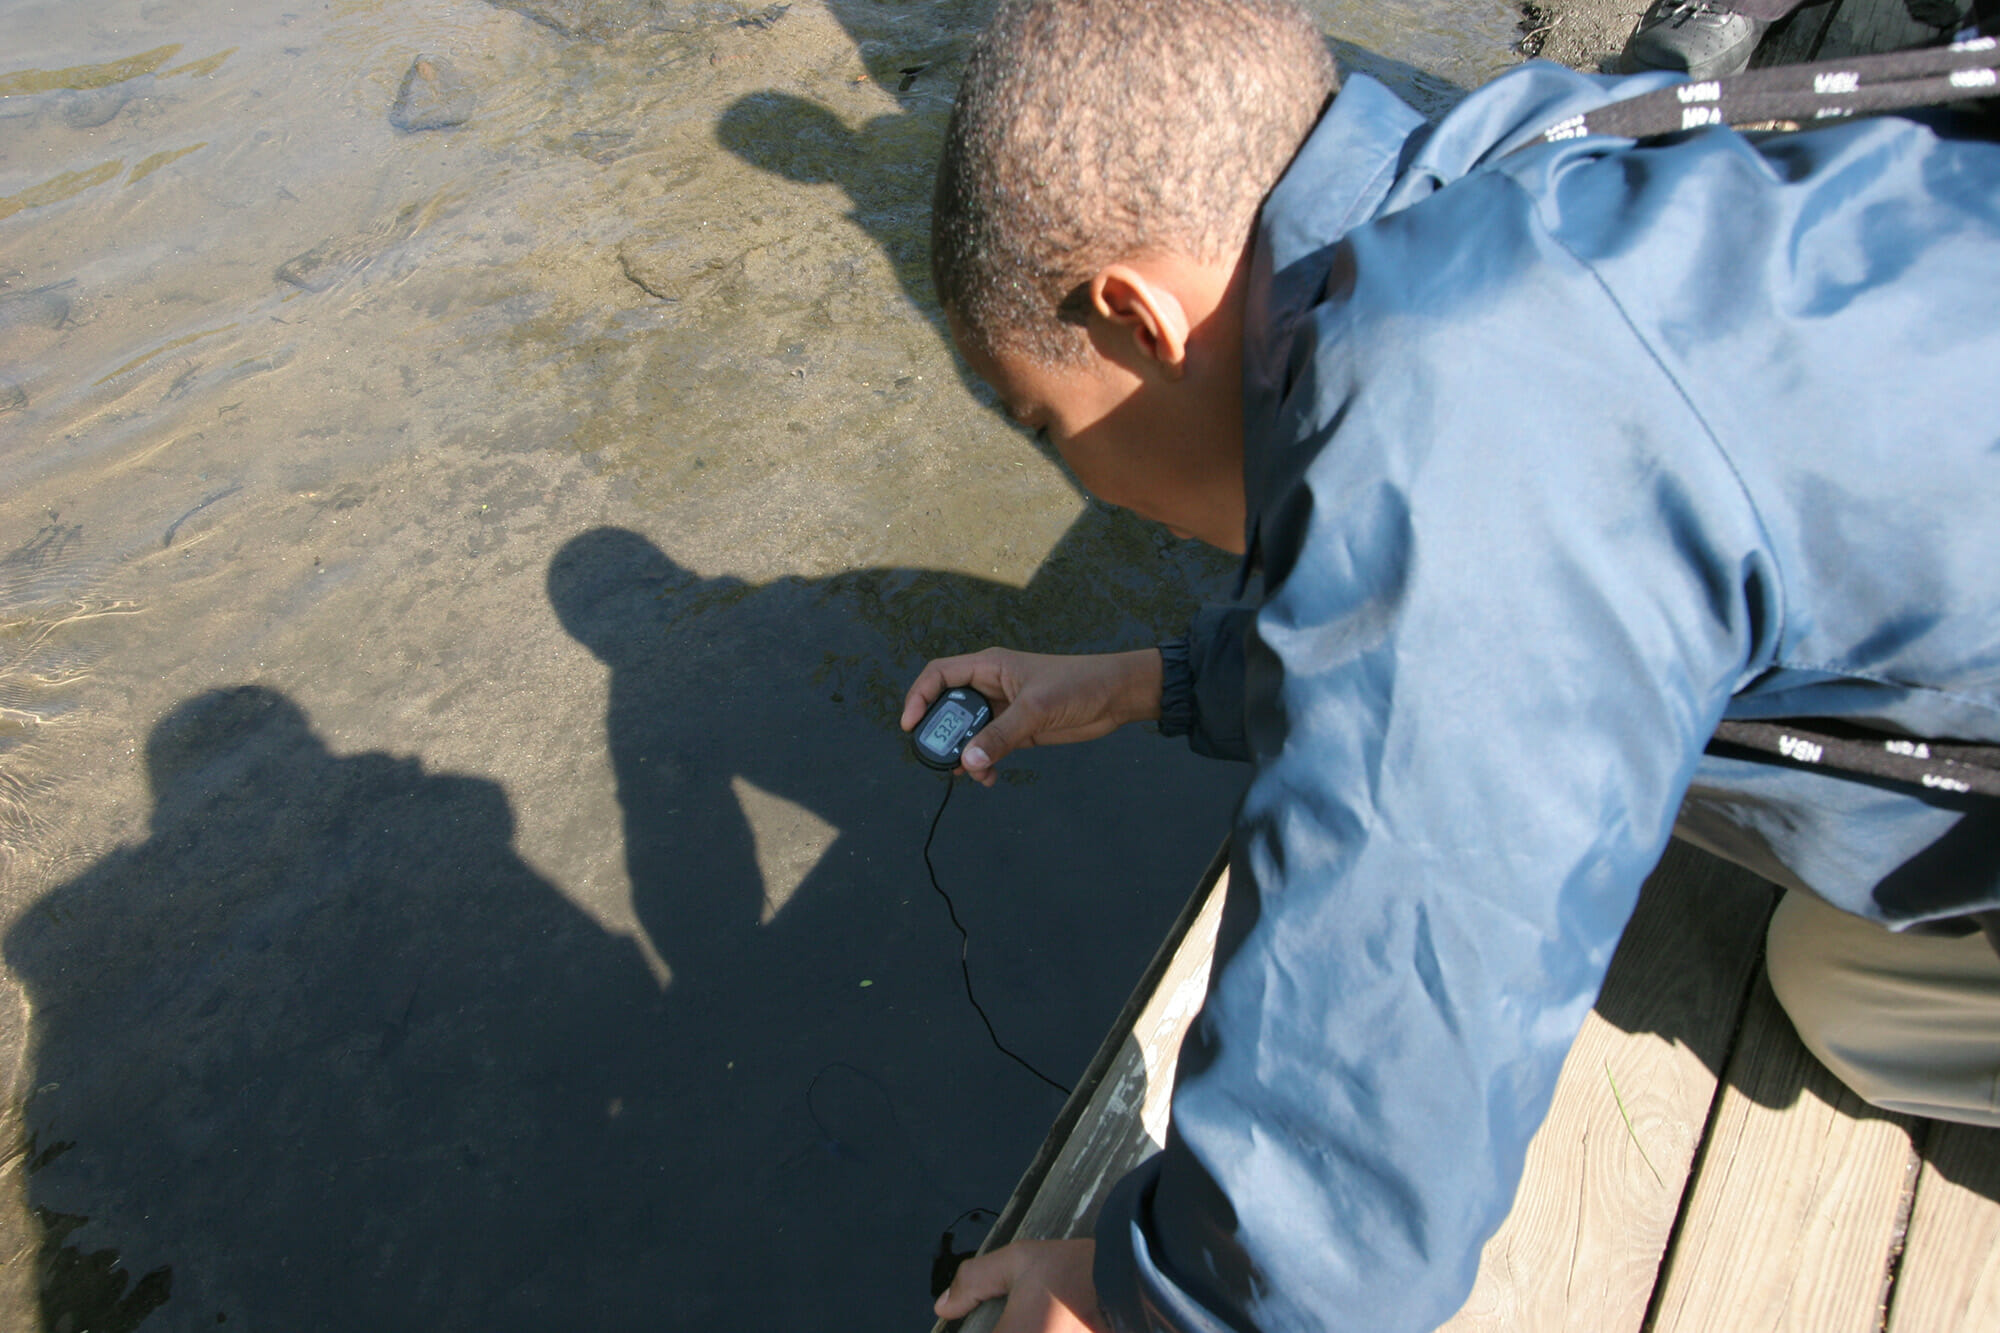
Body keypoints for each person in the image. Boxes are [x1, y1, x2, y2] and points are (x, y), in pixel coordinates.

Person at [903, 2, 2000, 1331]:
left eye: (1045, 424)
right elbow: (1502, 580)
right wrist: (1156, 679)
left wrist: (1128, 1289)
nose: (1081, 472)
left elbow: (1326, 1235)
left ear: (1136, 316)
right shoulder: (1518, 163)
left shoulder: (1450, 405)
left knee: (1851, 996)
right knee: (1842, 982)